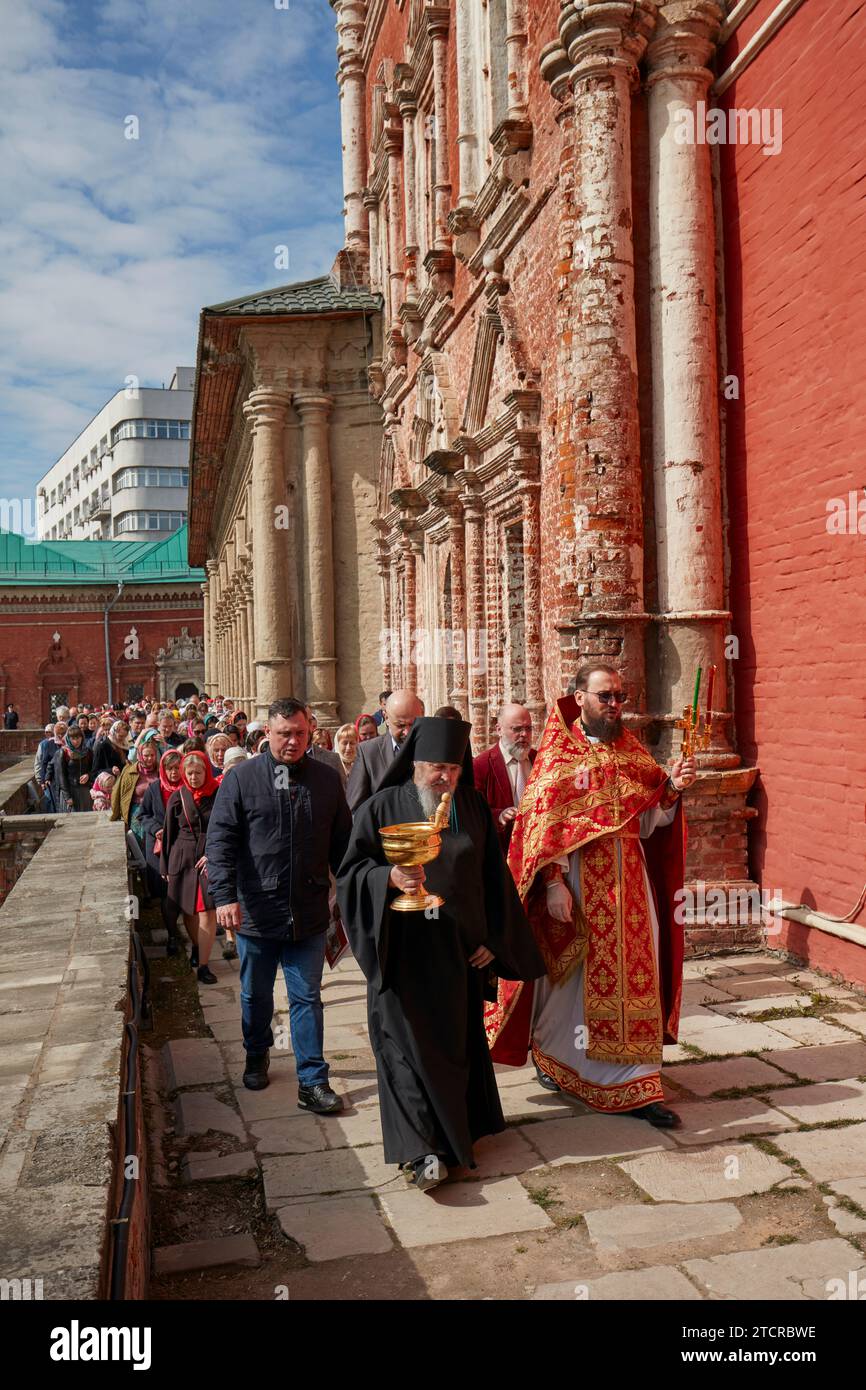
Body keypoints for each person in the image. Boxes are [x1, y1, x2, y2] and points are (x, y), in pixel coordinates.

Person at [337, 716, 545, 1191]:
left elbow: (495, 880)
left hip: (458, 956)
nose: (444, 777)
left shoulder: (471, 806)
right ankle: (421, 1153)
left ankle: (453, 1139)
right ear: (415, 763)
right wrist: (388, 878)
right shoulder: (381, 807)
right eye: (436, 767)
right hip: (401, 954)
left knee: (452, 1052)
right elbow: (351, 875)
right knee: (403, 1051)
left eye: (452, 769)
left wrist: (494, 941)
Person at [486, 664, 695, 1126]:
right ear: (579, 697)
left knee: (637, 974)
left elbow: (648, 821)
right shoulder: (559, 754)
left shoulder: (631, 751)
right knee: (572, 983)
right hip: (579, 882)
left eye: (620, 696)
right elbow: (542, 828)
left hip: (632, 883)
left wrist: (673, 789)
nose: (615, 704)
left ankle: (639, 1082)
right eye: (606, 696)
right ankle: (561, 1058)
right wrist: (554, 883)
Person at [206, 698, 352, 1107]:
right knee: (255, 995)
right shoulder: (242, 779)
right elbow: (220, 842)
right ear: (267, 733)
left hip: (308, 910)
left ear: (310, 732)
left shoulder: (326, 779)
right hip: (257, 910)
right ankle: (257, 1052)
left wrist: (354, 891)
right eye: (284, 733)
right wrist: (225, 897)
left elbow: (343, 844)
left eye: (300, 733)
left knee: (306, 997)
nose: (292, 741)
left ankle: (312, 1081)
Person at [161, 751, 221, 983]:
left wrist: (213, 854)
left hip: (209, 857)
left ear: (207, 771)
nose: (194, 777)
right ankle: (196, 946)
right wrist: (165, 866)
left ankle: (204, 966)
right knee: (189, 910)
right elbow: (169, 833)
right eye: (190, 773)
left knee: (208, 909)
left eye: (198, 772)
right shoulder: (178, 797)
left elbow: (226, 827)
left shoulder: (218, 794)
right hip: (183, 858)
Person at [346, 690, 424, 813]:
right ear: (386, 718)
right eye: (400, 725)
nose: (407, 732)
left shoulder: (432, 749)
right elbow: (355, 809)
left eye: (413, 724)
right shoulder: (368, 753)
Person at [473, 703, 537, 853]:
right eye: (517, 729)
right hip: (501, 852)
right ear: (499, 730)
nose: (524, 734)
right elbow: (474, 813)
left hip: (536, 849)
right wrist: (499, 816)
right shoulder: (481, 765)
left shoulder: (539, 759)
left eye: (528, 728)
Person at [143, 750, 185, 955]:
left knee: (184, 889)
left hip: (183, 846)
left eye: (177, 768)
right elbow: (144, 815)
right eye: (170, 769)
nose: (174, 772)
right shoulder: (154, 789)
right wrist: (156, 828)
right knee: (167, 893)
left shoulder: (187, 788)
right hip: (160, 849)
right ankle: (172, 935)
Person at [57, 724, 94, 812]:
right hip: (70, 789)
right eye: (73, 738)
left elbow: (94, 769)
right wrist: (67, 796)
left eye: (78, 738)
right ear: (68, 739)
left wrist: (88, 775)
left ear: (82, 738)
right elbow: (61, 776)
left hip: (85, 789)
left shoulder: (88, 752)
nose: (76, 741)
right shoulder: (64, 752)